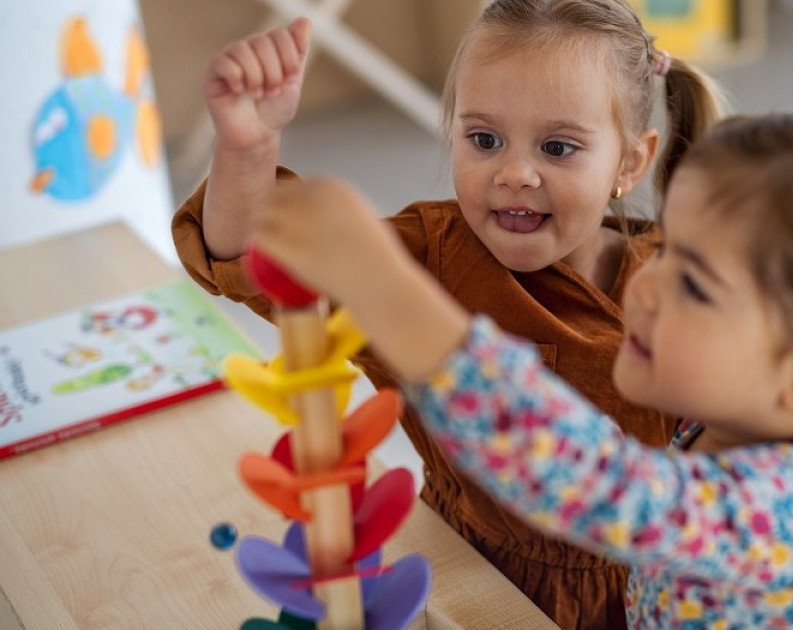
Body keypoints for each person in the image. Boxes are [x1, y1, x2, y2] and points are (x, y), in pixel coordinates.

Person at [248, 113, 793, 629]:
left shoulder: (786, 514)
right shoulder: (732, 420)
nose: (649, 283)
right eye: (669, 250)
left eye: (697, 283)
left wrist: (385, 286)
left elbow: (590, 481)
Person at [171, 2, 725, 628]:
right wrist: (247, 149)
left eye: (559, 147)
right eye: (484, 139)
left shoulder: (678, 277)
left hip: (651, 602)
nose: (514, 173)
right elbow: (256, 262)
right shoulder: (422, 260)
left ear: (630, 162)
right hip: (465, 582)